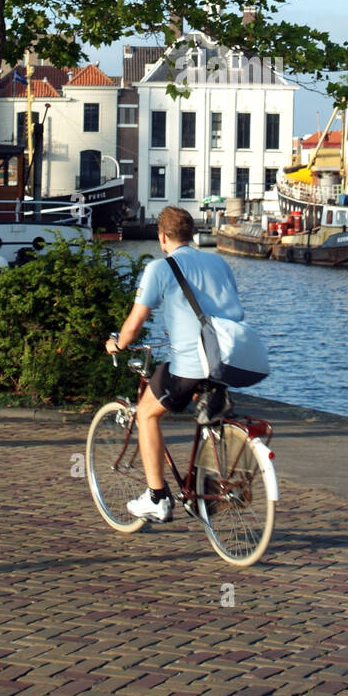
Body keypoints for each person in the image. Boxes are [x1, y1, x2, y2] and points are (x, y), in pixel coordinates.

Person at [105, 204, 244, 523]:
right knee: (206, 408)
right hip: (229, 357)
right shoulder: (218, 262)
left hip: (190, 363)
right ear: (191, 234)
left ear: (162, 236)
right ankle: (205, 487)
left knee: (145, 413)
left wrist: (118, 344)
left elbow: (134, 323)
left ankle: (157, 497)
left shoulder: (159, 268)